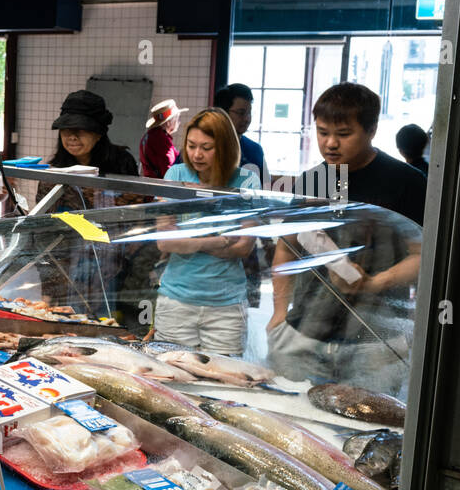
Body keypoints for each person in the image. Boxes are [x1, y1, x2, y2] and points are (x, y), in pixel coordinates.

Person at [268, 84, 424, 395]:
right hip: (306, 331)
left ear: (372, 130)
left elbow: (425, 255)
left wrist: (376, 282)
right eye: (322, 132)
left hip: (376, 339)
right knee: (296, 421)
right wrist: (279, 312)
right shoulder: (315, 179)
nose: (330, 143)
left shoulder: (406, 182)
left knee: (366, 427)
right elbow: (287, 247)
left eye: (343, 133)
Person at [153, 108, 262, 354]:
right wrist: (219, 241)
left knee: (223, 378)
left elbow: (244, 247)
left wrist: (189, 240)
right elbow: (165, 242)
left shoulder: (246, 182)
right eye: (191, 146)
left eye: (207, 147)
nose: (197, 154)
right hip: (176, 299)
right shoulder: (176, 175)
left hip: (226, 305)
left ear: (225, 148)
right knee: (174, 374)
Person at [48, 91, 139, 175]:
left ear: (98, 134)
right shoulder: (56, 167)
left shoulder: (122, 162)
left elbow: (134, 192)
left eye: (80, 129)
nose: (72, 137)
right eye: (67, 129)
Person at [213, 83, 267, 184]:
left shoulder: (255, 150)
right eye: (241, 113)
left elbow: (264, 188)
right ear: (223, 113)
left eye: (249, 113)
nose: (247, 119)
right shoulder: (202, 147)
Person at [139, 99, 186, 179]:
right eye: (177, 119)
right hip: (159, 185)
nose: (179, 122)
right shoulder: (161, 140)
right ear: (168, 122)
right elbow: (168, 170)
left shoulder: (150, 135)